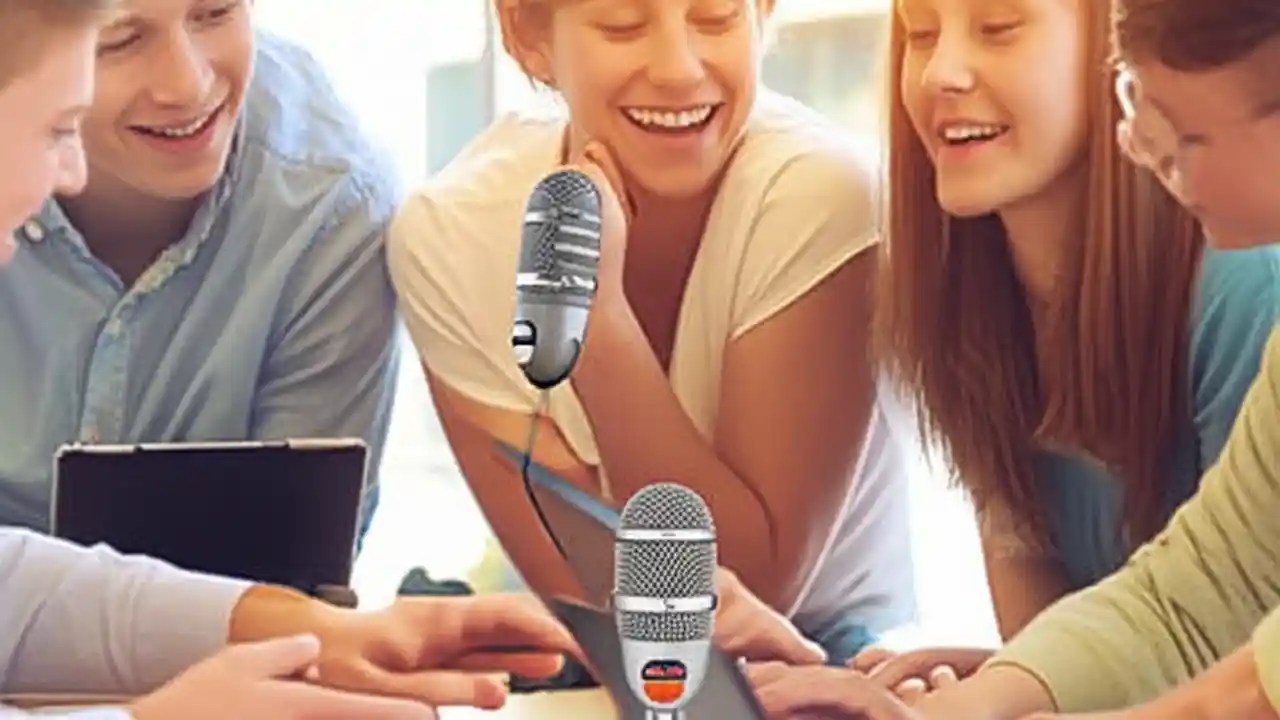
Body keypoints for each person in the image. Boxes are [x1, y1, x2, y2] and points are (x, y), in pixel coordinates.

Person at [0, 4, 578, 719]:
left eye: (216, 10)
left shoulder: (329, 196)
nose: (69, 170)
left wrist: (316, 632)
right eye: (57, 128)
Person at [747, 0, 1280, 718]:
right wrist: (972, 703)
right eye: (921, 33)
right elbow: (1187, 600)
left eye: (1185, 136)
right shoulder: (961, 293)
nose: (1147, 156)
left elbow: (1236, 692)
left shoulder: (1248, 281)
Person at [387, 0, 920, 666]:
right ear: (527, 36)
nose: (678, 69)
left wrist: (597, 324)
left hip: (826, 649)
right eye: (621, 23)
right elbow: (587, 590)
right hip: (592, 652)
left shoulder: (821, 194)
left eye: (718, 15)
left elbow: (737, 603)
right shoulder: (453, 233)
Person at [0, 0, 399, 544]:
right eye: (119, 41)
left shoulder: (330, 204)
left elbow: (296, 569)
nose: (186, 86)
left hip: (232, 622)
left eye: (216, 12)